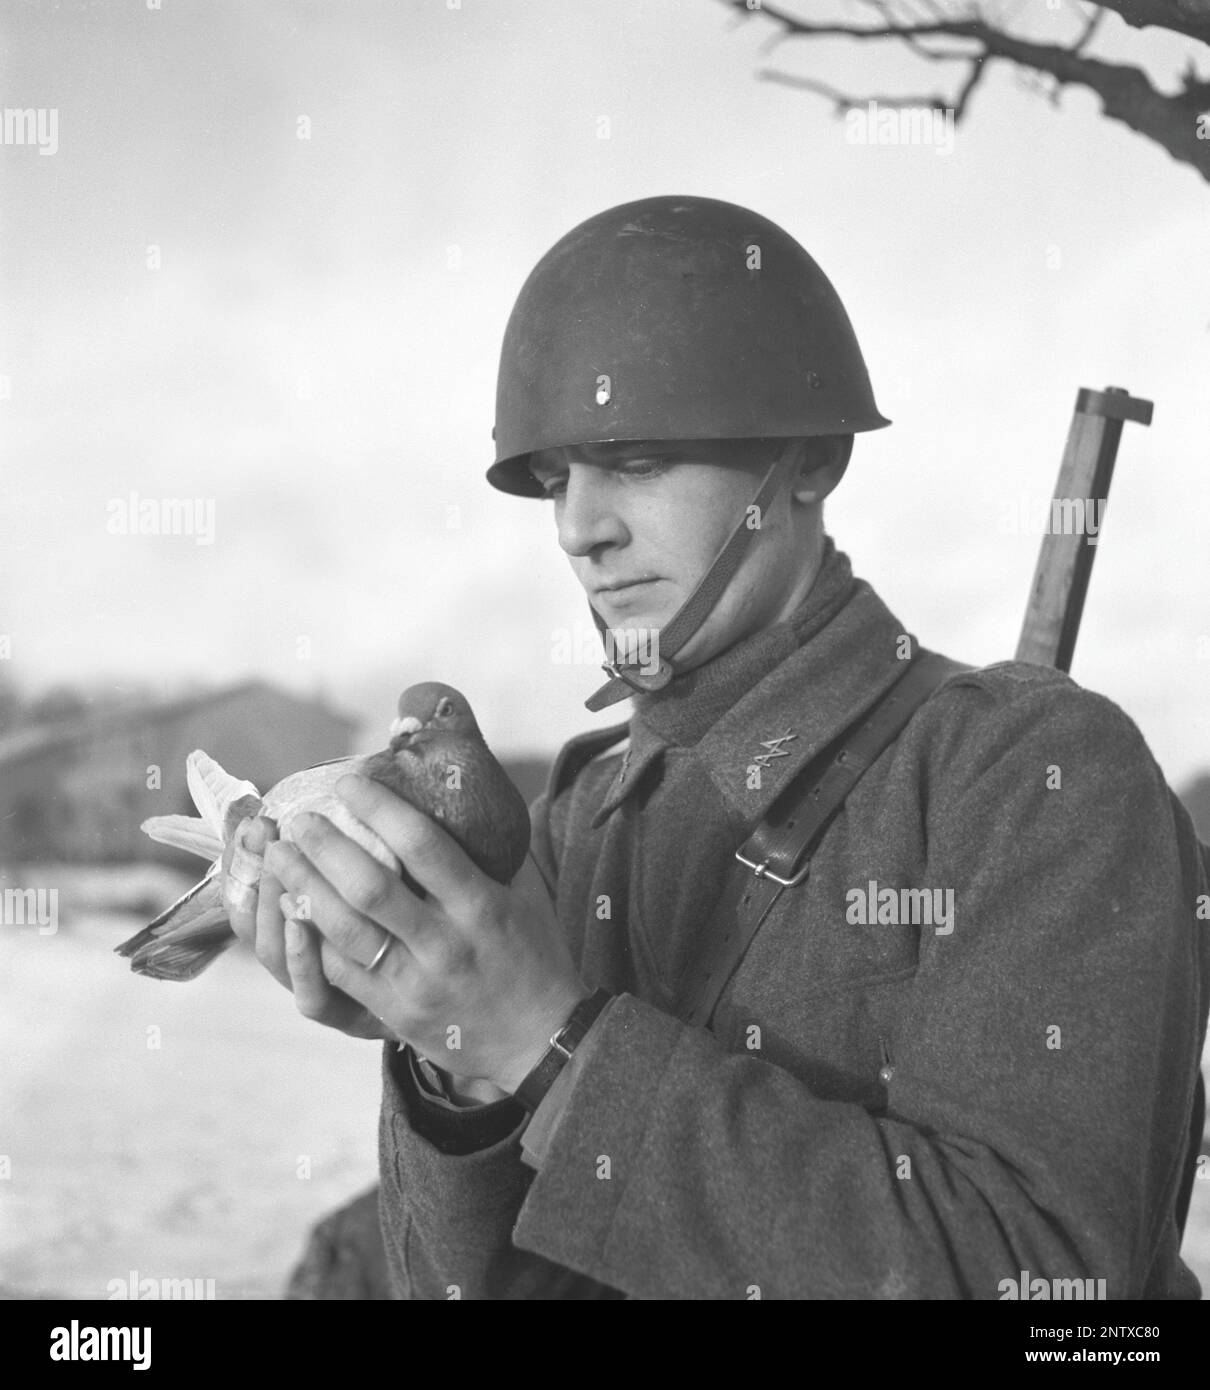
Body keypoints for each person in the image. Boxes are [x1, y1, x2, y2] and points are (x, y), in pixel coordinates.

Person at [225, 195, 1210, 1300]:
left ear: (806, 460)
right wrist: (458, 1060)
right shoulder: (575, 817)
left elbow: (1047, 1291)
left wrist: (545, 1039)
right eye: (555, 479)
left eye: (633, 461)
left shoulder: (1028, 776)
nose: (575, 526)